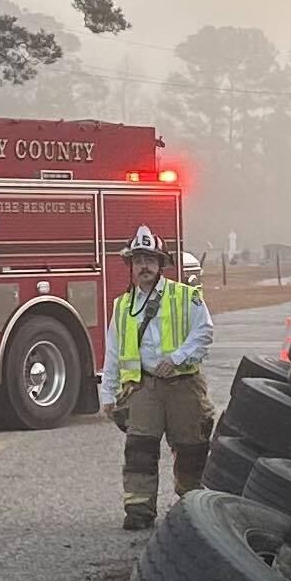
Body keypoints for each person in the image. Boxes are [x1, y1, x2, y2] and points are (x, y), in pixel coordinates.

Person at [99, 225, 215, 530]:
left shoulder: (186, 296)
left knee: (191, 449)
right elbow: (112, 352)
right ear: (131, 266)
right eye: (139, 260)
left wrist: (176, 359)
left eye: (151, 259)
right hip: (143, 388)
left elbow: (204, 332)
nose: (145, 266)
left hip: (184, 386)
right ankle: (139, 512)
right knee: (139, 450)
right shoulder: (122, 306)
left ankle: (192, 511)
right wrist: (108, 394)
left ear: (161, 264)